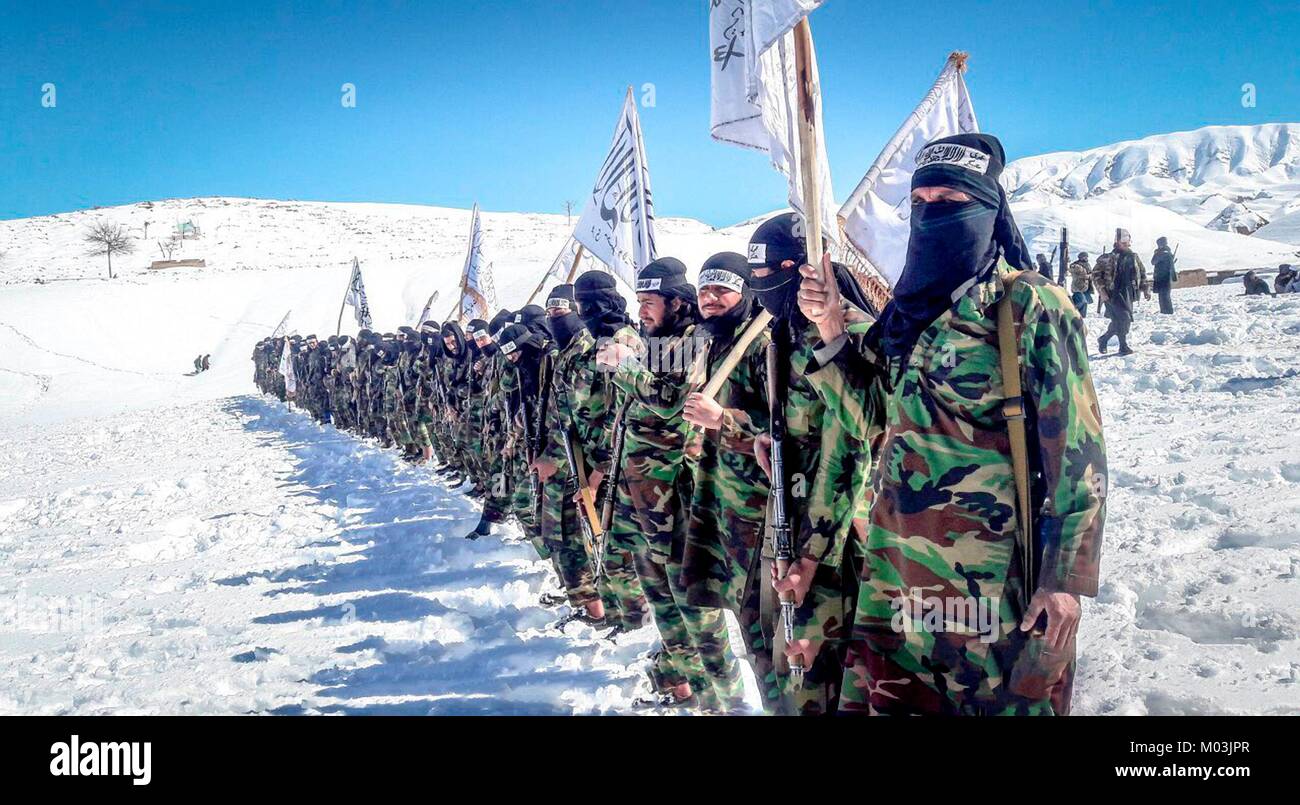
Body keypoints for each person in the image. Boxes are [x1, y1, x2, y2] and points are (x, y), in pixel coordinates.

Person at [796, 132, 1106, 715]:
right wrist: (833, 330)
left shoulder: (1028, 306)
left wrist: (1064, 578)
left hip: (994, 585)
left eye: (953, 203)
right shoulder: (904, 316)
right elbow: (873, 423)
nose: (933, 214)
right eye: (922, 202)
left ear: (989, 211)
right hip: (894, 578)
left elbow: (1079, 459)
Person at [597, 258, 742, 711]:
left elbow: (669, 402)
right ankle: (691, 691)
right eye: (638, 302)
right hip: (640, 501)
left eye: (650, 302)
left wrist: (625, 367)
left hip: (676, 504)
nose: (641, 311)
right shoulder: (651, 343)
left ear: (677, 303)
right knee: (663, 607)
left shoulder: (695, 340)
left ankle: (728, 703)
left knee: (699, 617)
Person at [1098, 230, 1142, 355]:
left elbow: (1142, 272)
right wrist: (1102, 291)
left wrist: (1145, 288)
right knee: (1123, 318)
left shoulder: (1133, 256)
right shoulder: (1106, 258)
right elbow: (1096, 275)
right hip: (1112, 293)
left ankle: (1104, 339)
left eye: (1127, 242)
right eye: (1124, 242)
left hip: (1128, 293)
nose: (1127, 244)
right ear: (1117, 242)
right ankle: (1123, 346)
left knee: (1120, 321)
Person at [1152, 237, 1177, 315]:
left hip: (1163, 277)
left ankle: (1167, 311)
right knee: (1163, 295)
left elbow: (1153, 261)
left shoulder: (1163, 253)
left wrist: (1157, 253)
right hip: (1162, 277)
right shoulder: (1167, 253)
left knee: (1164, 296)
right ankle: (1165, 311)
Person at [1068, 252, 1093, 318]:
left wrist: (1088, 276)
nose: (1085, 258)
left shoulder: (1087, 265)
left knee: (1085, 303)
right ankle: (1073, 313)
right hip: (1078, 287)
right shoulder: (1076, 265)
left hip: (1086, 287)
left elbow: (1091, 274)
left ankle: (1081, 317)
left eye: (1086, 257)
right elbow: (1072, 269)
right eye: (1084, 257)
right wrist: (1085, 275)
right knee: (1080, 301)